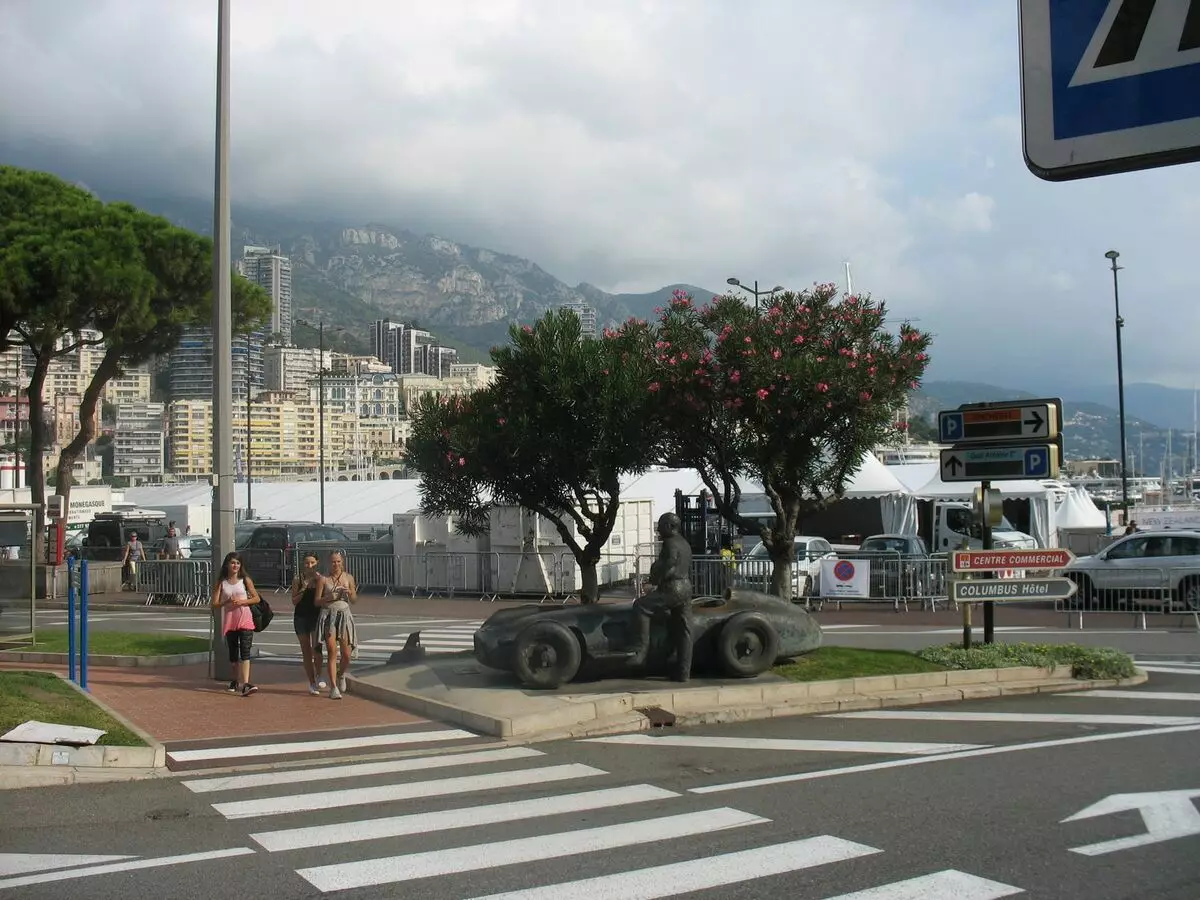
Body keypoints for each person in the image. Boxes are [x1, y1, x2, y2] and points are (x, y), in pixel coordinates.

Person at [626, 513, 694, 682]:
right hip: (686, 587)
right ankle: (684, 673)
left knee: (641, 606)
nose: (658, 529)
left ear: (670, 526)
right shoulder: (684, 543)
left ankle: (640, 651)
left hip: (673, 587)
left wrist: (656, 576)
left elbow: (670, 563)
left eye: (661, 525)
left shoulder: (670, 543)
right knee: (685, 631)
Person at [210, 551, 261, 696]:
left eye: (238, 563)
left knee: (245, 651)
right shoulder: (222, 582)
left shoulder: (245, 580)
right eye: (233, 563)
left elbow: (256, 598)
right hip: (230, 620)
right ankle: (234, 679)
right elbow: (214, 603)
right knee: (233, 652)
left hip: (245, 618)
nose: (235, 566)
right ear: (227, 564)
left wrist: (242, 601)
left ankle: (246, 683)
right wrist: (226, 602)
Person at [316, 551, 358, 699]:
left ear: (343, 562)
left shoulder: (348, 577)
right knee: (332, 651)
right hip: (328, 616)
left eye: (338, 561)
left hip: (344, 615)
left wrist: (348, 593)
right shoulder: (323, 579)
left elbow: (354, 599)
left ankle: (341, 674)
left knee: (346, 654)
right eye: (333, 562)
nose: (336, 564)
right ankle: (333, 687)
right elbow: (317, 601)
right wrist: (329, 597)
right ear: (329, 563)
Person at [291, 550, 327, 695]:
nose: (309, 565)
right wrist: (304, 587)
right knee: (306, 651)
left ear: (317, 563)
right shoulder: (298, 579)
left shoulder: (320, 579)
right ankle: (311, 682)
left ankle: (319, 675)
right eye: (307, 563)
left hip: (316, 616)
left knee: (317, 649)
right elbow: (294, 601)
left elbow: (323, 599)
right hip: (301, 617)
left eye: (312, 562)